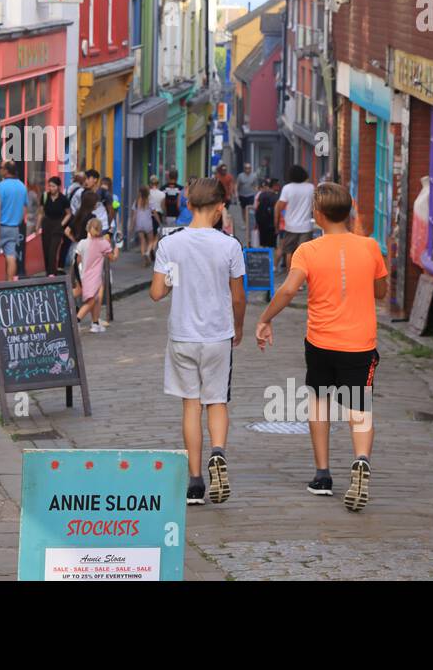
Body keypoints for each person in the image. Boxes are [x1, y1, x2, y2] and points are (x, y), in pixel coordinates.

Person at [254, 182, 388, 513]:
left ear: (317, 214)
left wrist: (265, 318)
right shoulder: (370, 247)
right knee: (359, 407)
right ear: (349, 210)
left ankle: (323, 475)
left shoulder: (307, 251)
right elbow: (382, 292)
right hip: (359, 343)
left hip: (321, 342)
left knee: (320, 404)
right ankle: (360, 460)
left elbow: (287, 291)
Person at [150, 177, 246, 507]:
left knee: (190, 404)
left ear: (188, 205)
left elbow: (156, 293)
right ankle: (217, 452)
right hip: (218, 335)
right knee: (217, 401)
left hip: (182, 335)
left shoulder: (170, 244)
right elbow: (238, 297)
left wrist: (176, 277)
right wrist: (239, 327)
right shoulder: (230, 246)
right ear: (220, 207)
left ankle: (194, 482)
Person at [75, 217, 118, 333]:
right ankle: (77, 320)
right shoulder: (103, 244)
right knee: (92, 301)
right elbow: (113, 258)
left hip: (84, 276)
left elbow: (77, 261)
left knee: (95, 300)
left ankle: (95, 323)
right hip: (96, 278)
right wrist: (117, 246)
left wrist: (75, 277)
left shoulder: (82, 243)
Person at [275, 165, 316, 272]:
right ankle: (301, 280)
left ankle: (291, 276)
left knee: (290, 252)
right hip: (306, 226)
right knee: (303, 254)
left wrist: (277, 222)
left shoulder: (287, 188)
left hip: (290, 226)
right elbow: (314, 205)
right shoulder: (310, 187)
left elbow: (280, 206)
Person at [0, 161, 27, 282]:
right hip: (14, 227)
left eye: (1, 168)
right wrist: (18, 221)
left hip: (1, 226)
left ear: (6, 170)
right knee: (11, 256)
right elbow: (25, 208)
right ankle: (9, 283)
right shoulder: (22, 186)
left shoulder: (1, 186)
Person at [39, 175, 70, 277]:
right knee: (46, 249)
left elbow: (69, 213)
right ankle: (49, 272)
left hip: (58, 224)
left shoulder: (63, 199)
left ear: (58, 187)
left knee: (53, 250)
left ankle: (52, 273)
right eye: (50, 186)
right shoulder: (45, 196)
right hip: (47, 223)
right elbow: (41, 212)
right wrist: (37, 225)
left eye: (53, 186)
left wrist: (61, 224)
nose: (51, 188)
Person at [130, 186, 155, 266]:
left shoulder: (136, 202)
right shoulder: (150, 201)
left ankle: (144, 259)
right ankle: (147, 252)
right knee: (151, 240)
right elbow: (154, 212)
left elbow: (134, 215)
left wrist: (132, 225)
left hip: (139, 223)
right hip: (148, 223)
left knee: (142, 241)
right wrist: (159, 221)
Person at [255, 178, 280, 249]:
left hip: (261, 222)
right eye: (278, 185)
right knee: (272, 245)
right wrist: (276, 226)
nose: (279, 187)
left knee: (263, 243)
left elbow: (257, 208)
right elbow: (276, 213)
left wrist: (256, 222)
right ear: (274, 186)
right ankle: (271, 258)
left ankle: (264, 257)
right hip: (271, 224)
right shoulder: (276, 197)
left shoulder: (262, 194)